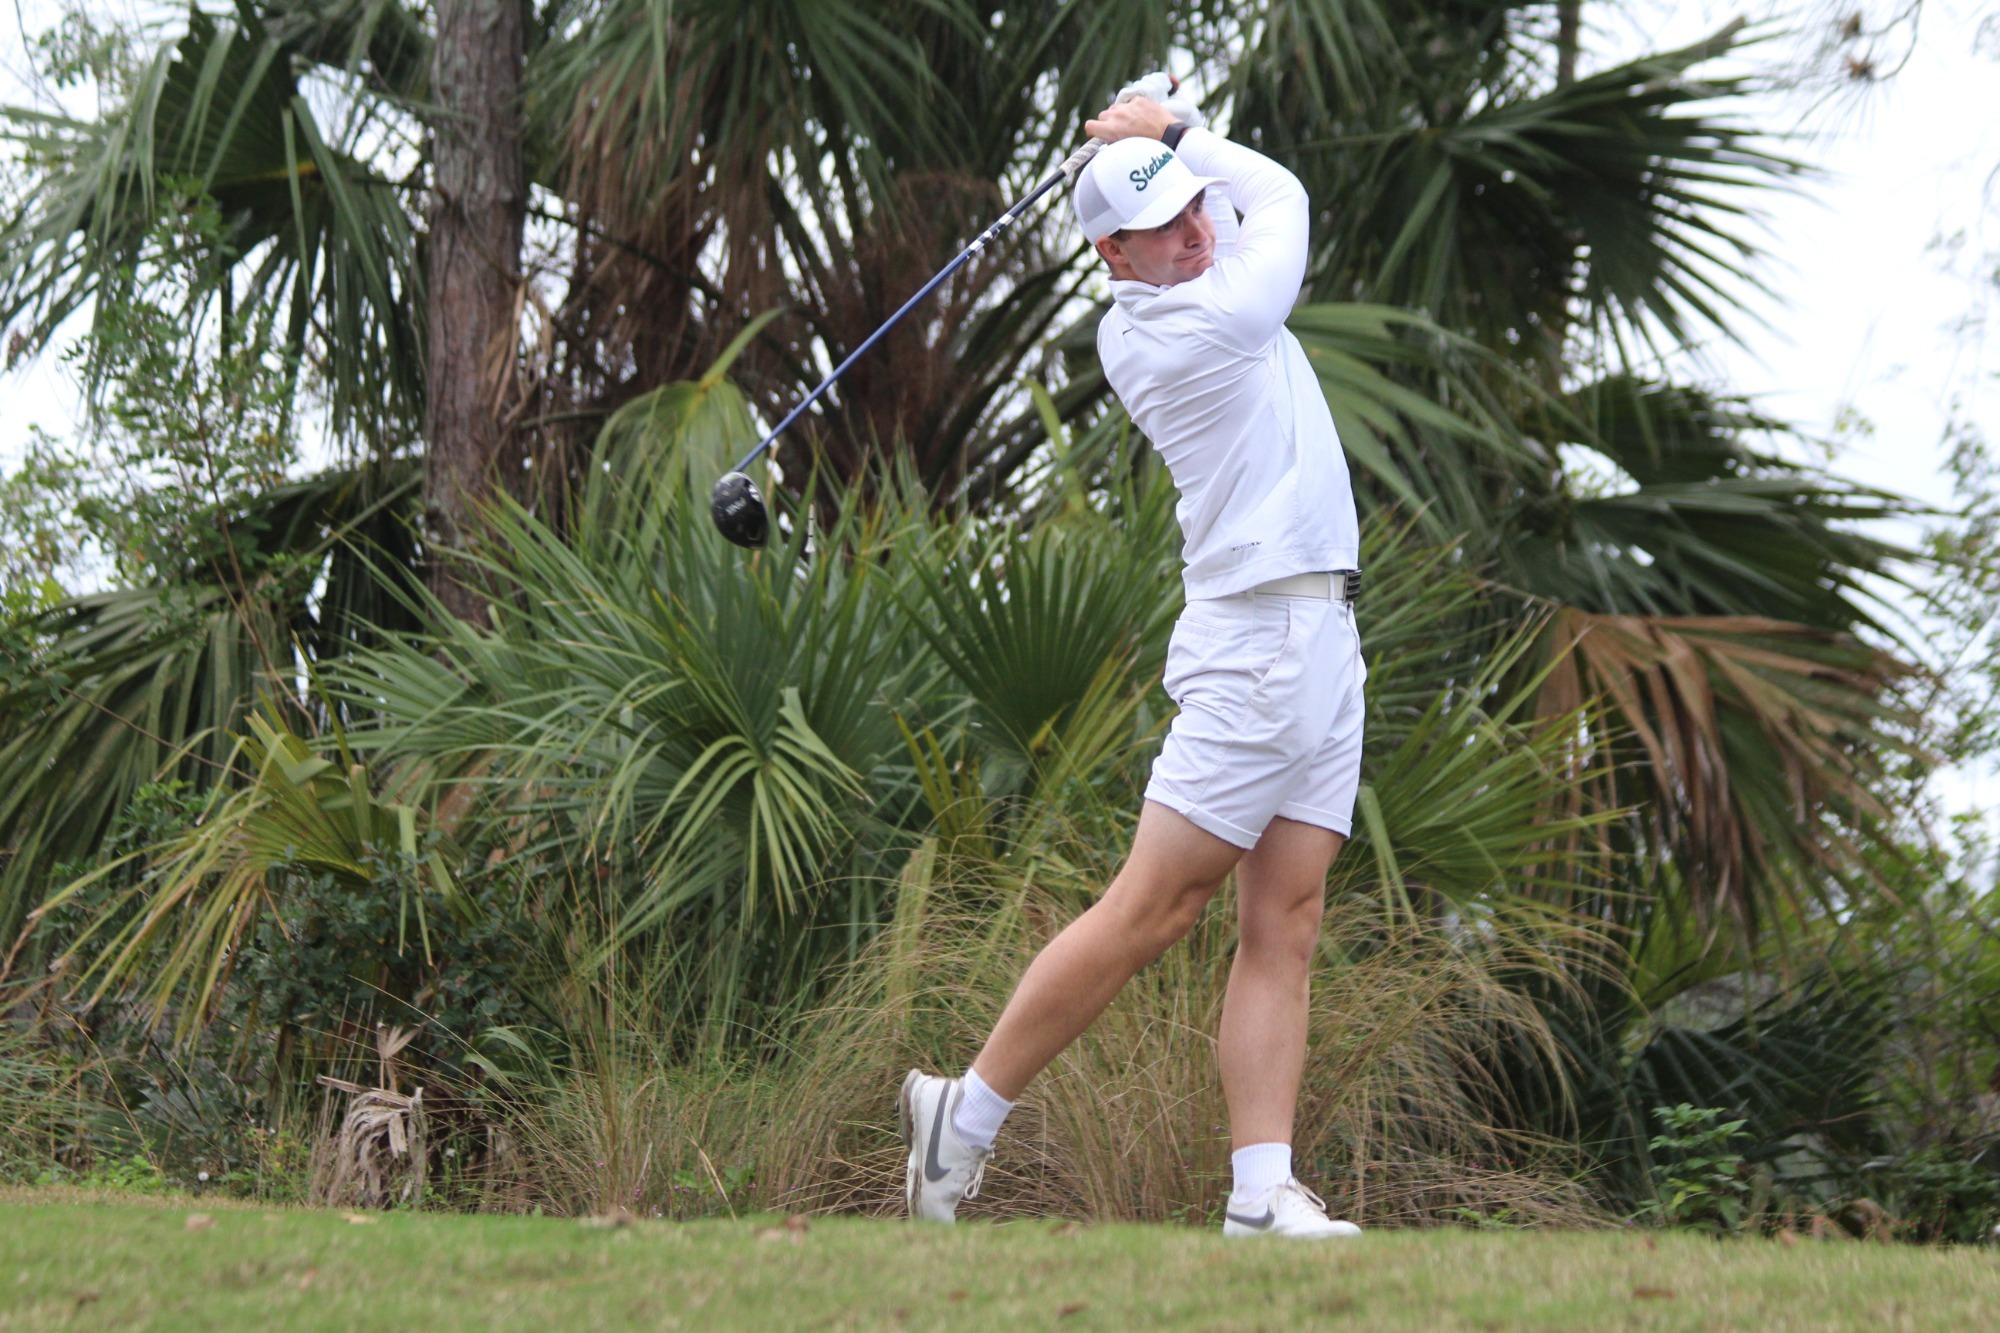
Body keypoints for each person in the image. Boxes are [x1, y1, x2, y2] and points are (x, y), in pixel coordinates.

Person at [898, 80, 1366, 1240]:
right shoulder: (1182, 328)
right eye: (1167, 223)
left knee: (1287, 919)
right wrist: (1172, 134)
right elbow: (1286, 197)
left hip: (1321, 638)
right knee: (1155, 905)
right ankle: (963, 1116)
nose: (1200, 228)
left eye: (1198, 209)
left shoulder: (1204, 277)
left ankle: (1261, 1190)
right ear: (1113, 252)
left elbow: (1246, 204)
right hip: (1257, 643)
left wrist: (1171, 145)